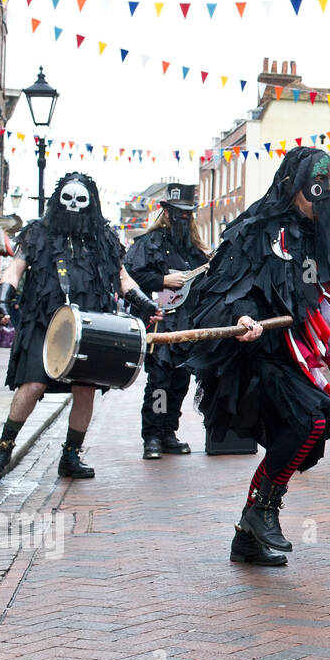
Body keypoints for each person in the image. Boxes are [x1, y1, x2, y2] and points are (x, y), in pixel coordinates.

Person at [185, 148, 330, 567]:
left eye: (327, 191)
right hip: (264, 351)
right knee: (311, 421)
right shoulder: (258, 229)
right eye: (312, 191)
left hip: (307, 350)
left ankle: (247, 537)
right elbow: (228, 285)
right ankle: (262, 511)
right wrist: (242, 314)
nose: (318, 201)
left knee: (311, 430)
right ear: (292, 186)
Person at [0, 172, 158, 480]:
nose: (73, 206)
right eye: (67, 199)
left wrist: (146, 303)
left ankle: (71, 456)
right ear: (57, 201)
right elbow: (14, 270)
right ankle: (4, 448)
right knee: (33, 384)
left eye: (80, 200)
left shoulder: (104, 239)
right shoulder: (37, 233)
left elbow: (123, 278)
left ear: (91, 204)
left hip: (90, 326)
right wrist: (2, 298)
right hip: (44, 321)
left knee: (85, 390)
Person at [123, 184, 210, 459]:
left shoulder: (195, 250)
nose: (182, 218)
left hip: (187, 324)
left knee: (180, 381)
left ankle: (169, 432)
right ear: (167, 212)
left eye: (187, 213)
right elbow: (130, 277)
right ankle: (153, 435)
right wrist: (162, 280)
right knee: (159, 380)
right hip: (160, 321)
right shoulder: (150, 243)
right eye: (177, 213)